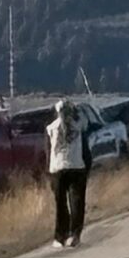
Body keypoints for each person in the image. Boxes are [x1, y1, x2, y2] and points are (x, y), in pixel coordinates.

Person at [46, 100, 91, 248]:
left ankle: (60, 236)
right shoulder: (79, 127)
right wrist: (87, 167)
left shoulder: (51, 129)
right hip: (77, 167)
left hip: (57, 169)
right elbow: (86, 150)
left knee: (61, 204)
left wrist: (48, 171)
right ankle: (75, 234)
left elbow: (48, 152)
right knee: (77, 202)